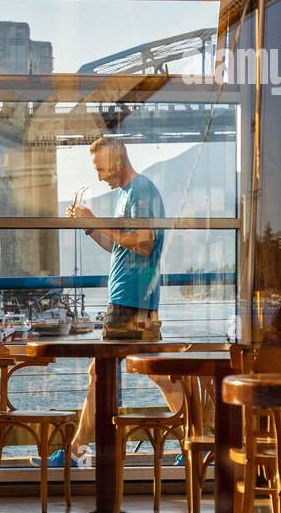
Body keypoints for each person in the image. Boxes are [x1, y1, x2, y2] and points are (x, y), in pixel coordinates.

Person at [44, 135, 182, 468]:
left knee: (99, 374)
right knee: (160, 375)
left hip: (129, 301)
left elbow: (145, 242)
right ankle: (200, 439)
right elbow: (121, 246)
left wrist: (97, 220)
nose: (99, 176)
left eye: (100, 167)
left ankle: (77, 452)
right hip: (135, 298)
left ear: (117, 161)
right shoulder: (126, 195)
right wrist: (90, 229)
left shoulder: (141, 191)